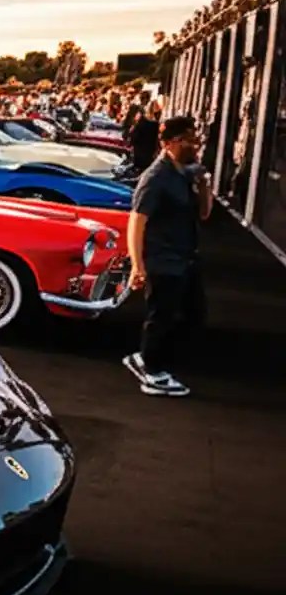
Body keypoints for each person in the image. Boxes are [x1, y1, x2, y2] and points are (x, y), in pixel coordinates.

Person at [122, 115, 211, 397]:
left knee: (193, 315)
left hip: (185, 257)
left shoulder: (184, 173)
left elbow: (204, 214)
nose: (194, 145)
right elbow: (137, 222)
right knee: (162, 317)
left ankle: (146, 359)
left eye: (195, 139)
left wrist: (204, 184)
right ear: (170, 143)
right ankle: (154, 373)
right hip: (162, 260)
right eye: (188, 140)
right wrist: (138, 265)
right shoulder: (156, 178)